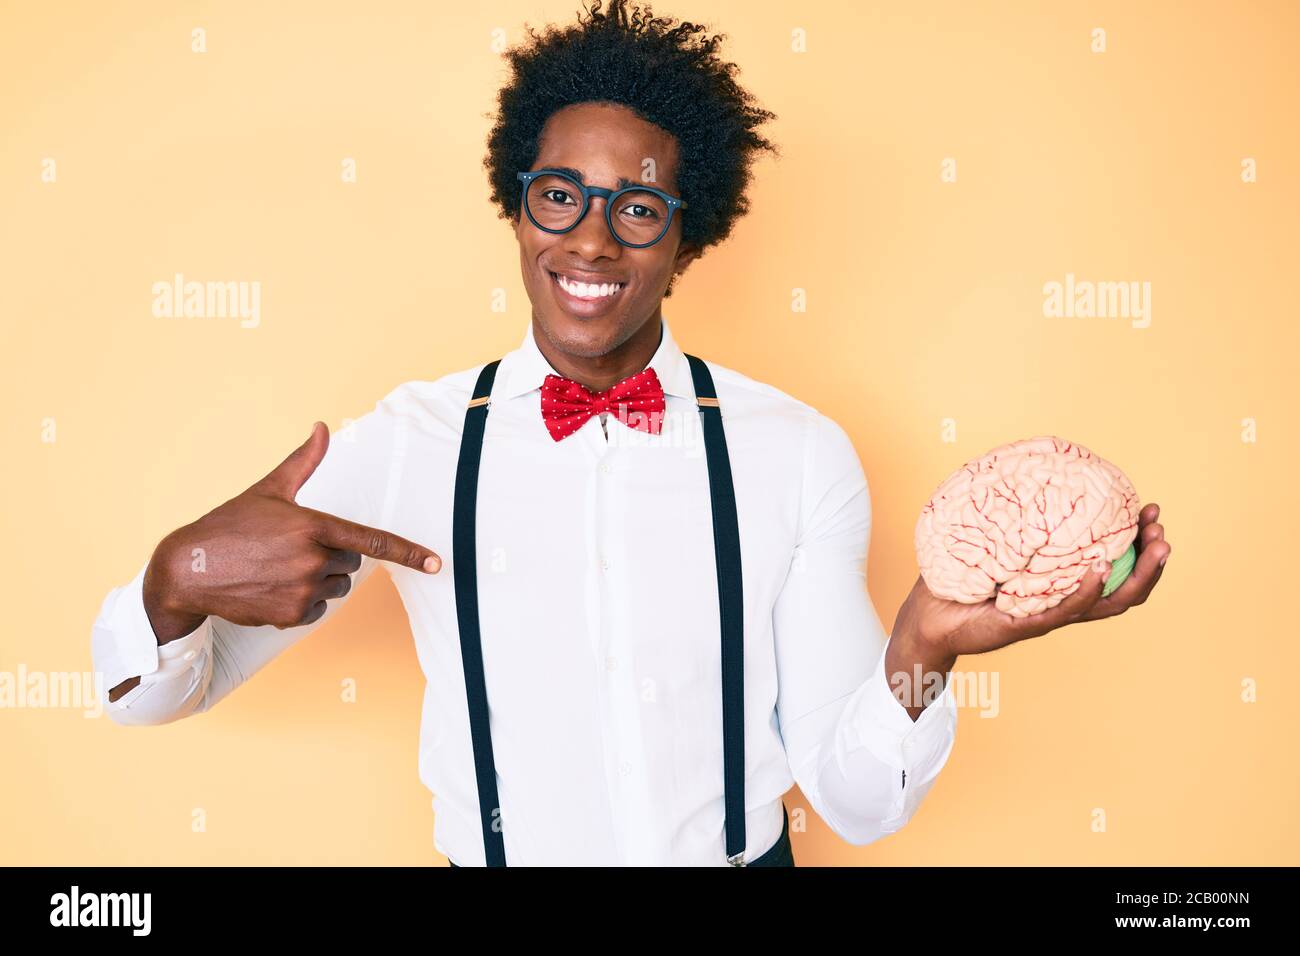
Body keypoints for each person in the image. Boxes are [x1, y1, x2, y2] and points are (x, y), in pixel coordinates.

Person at [90, 0, 1171, 866]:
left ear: (684, 236)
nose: (592, 241)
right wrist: (172, 579)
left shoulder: (795, 453)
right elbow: (136, 702)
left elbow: (856, 802)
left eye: (638, 207)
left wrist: (922, 649)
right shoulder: (407, 445)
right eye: (558, 196)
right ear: (516, 209)